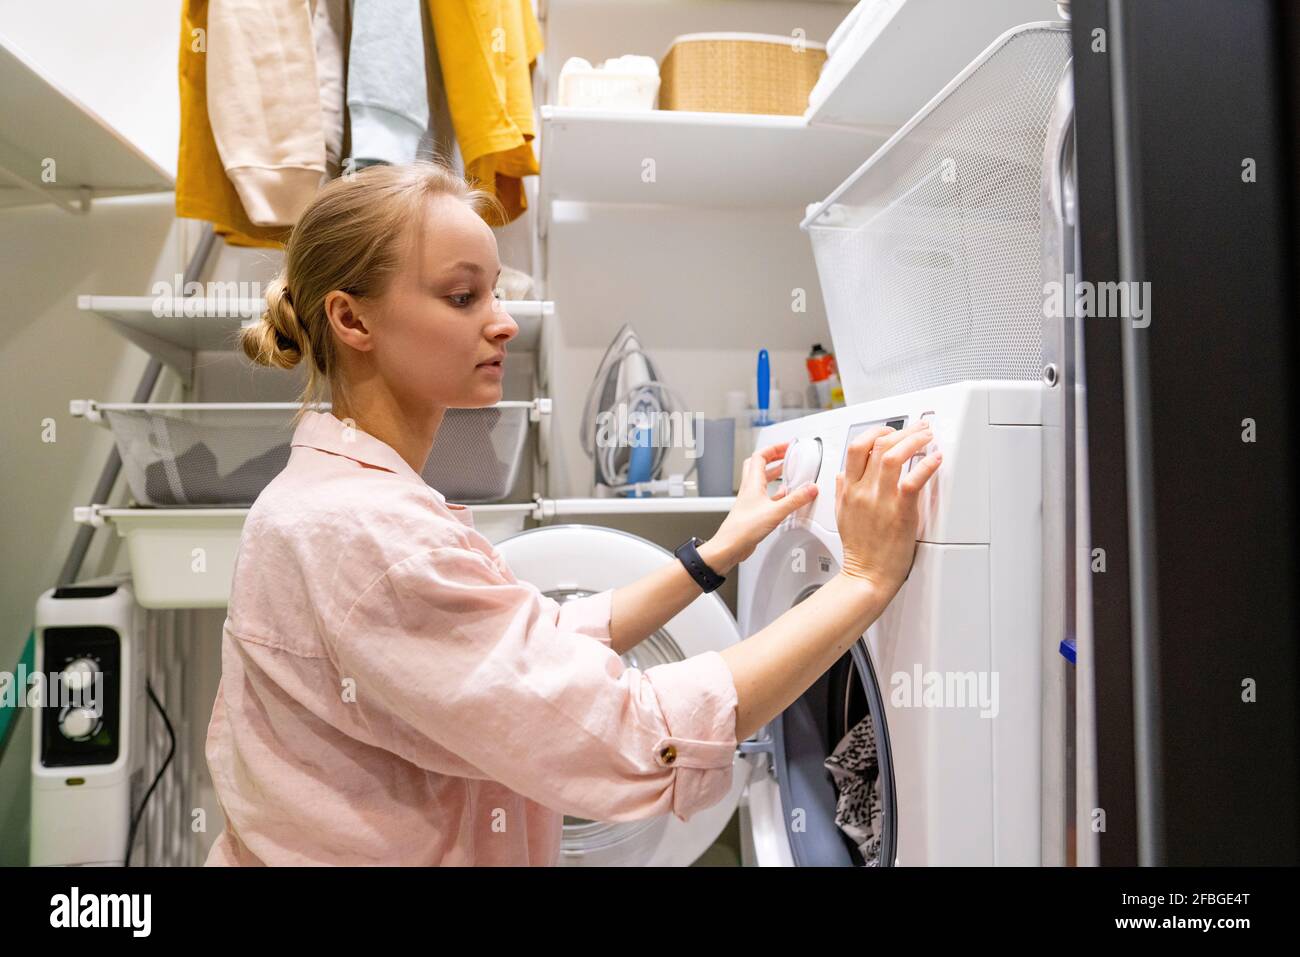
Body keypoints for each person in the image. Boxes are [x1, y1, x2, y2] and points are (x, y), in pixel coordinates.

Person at [203, 161, 941, 865]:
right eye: (463, 297)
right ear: (350, 319)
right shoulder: (371, 533)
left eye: (496, 294)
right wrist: (863, 579)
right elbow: (638, 734)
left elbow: (530, 648)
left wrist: (711, 557)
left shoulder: (333, 497)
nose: (503, 324)